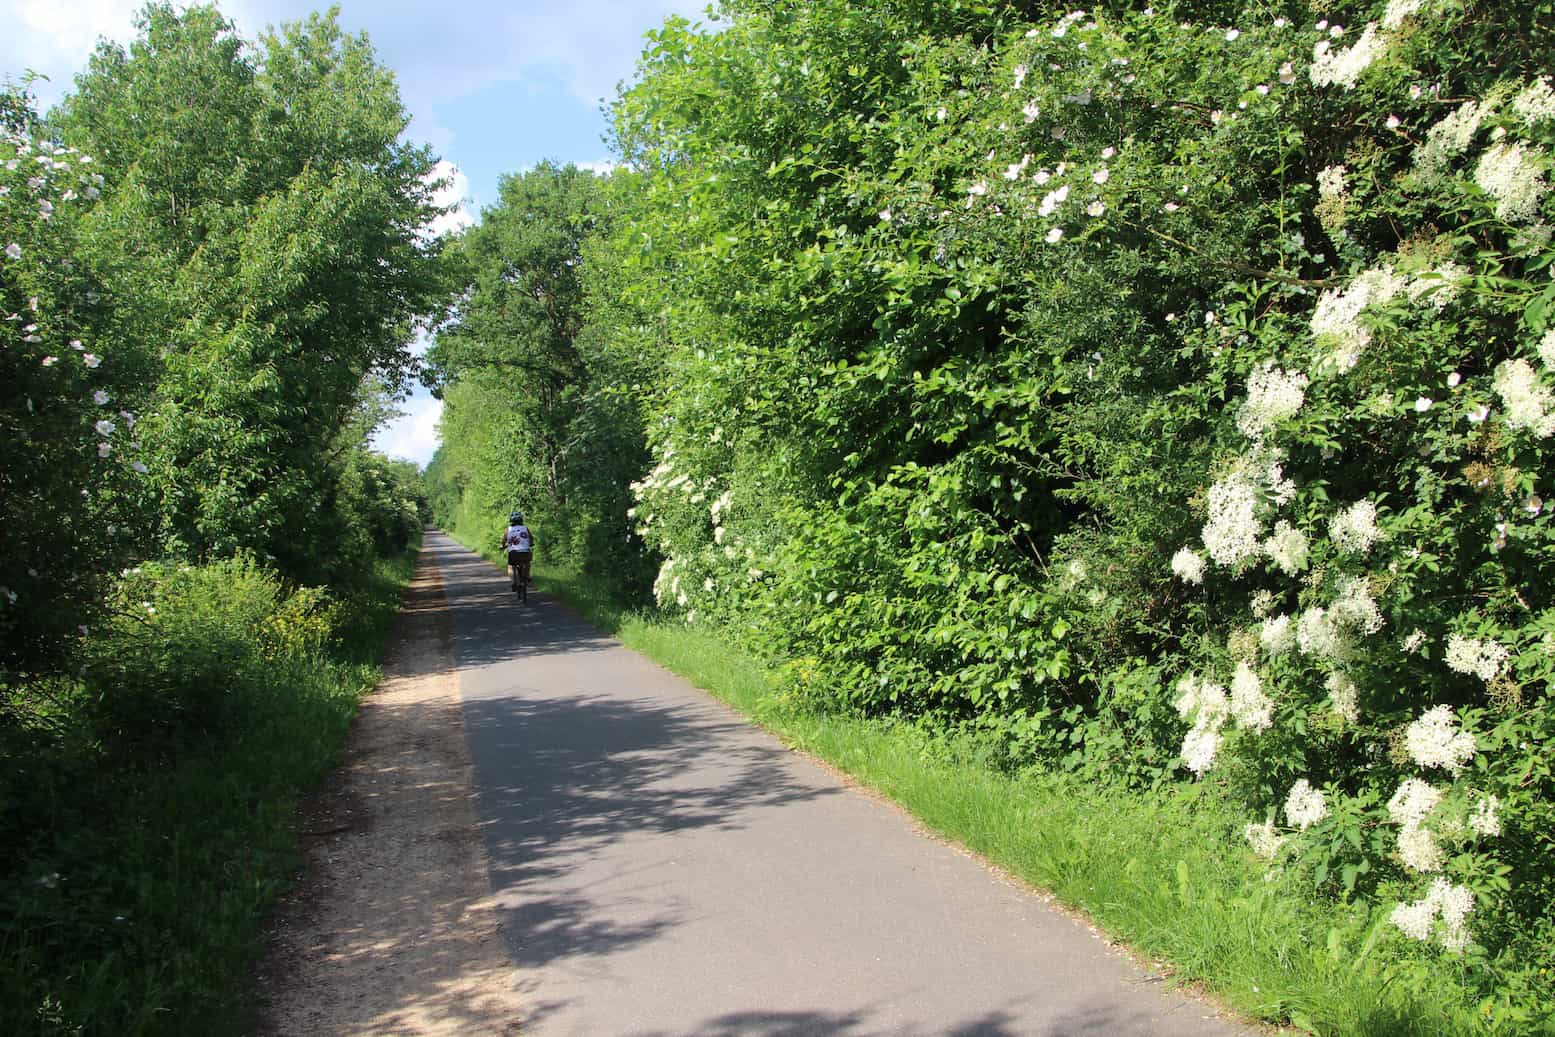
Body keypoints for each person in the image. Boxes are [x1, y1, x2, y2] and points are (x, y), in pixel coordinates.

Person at [502, 512, 534, 592]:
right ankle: (527, 576)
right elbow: (531, 538)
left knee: (511, 566)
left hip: (514, 553)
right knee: (527, 563)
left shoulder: (508, 529)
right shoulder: (525, 528)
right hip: (525, 552)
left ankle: (514, 583)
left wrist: (503, 546)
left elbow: (503, 540)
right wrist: (530, 543)